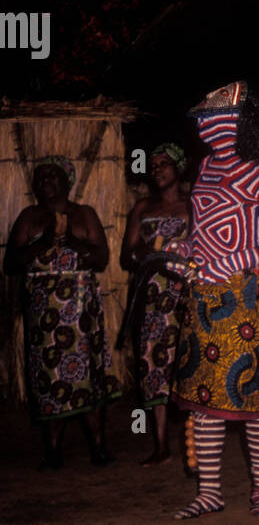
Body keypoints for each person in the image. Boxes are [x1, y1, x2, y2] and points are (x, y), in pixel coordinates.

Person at [169, 83, 259, 515]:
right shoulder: (205, 167)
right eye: (201, 120)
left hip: (244, 300)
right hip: (202, 300)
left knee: (250, 397)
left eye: (211, 119)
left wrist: (236, 262)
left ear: (233, 124)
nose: (203, 127)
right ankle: (210, 492)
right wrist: (183, 253)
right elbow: (201, 233)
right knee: (205, 400)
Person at [4, 155, 119, 468]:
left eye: (53, 176)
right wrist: (41, 244)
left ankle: (99, 447)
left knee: (89, 377)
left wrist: (71, 241)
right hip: (46, 318)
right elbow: (11, 263)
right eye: (41, 177)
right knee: (49, 379)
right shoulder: (29, 217)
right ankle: (53, 452)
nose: (46, 181)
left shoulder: (84, 214)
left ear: (67, 181)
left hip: (82, 314)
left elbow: (102, 258)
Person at [120, 143, 191, 464]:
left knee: (189, 363)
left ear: (179, 168)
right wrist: (149, 256)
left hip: (185, 294)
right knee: (153, 365)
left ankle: (195, 442)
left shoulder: (194, 206)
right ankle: (160, 445)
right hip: (150, 296)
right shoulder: (142, 208)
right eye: (153, 165)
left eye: (165, 163)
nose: (157, 169)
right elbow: (126, 254)